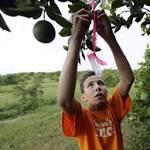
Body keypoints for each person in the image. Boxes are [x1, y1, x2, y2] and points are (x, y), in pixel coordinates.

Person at [57, 8, 134, 150]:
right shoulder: (82, 117)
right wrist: (75, 39)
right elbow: (64, 101)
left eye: (101, 83)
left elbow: (127, 80)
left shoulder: (113, 108)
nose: (98, 87)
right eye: (90, 85)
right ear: (84, 97)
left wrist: (110, 37)